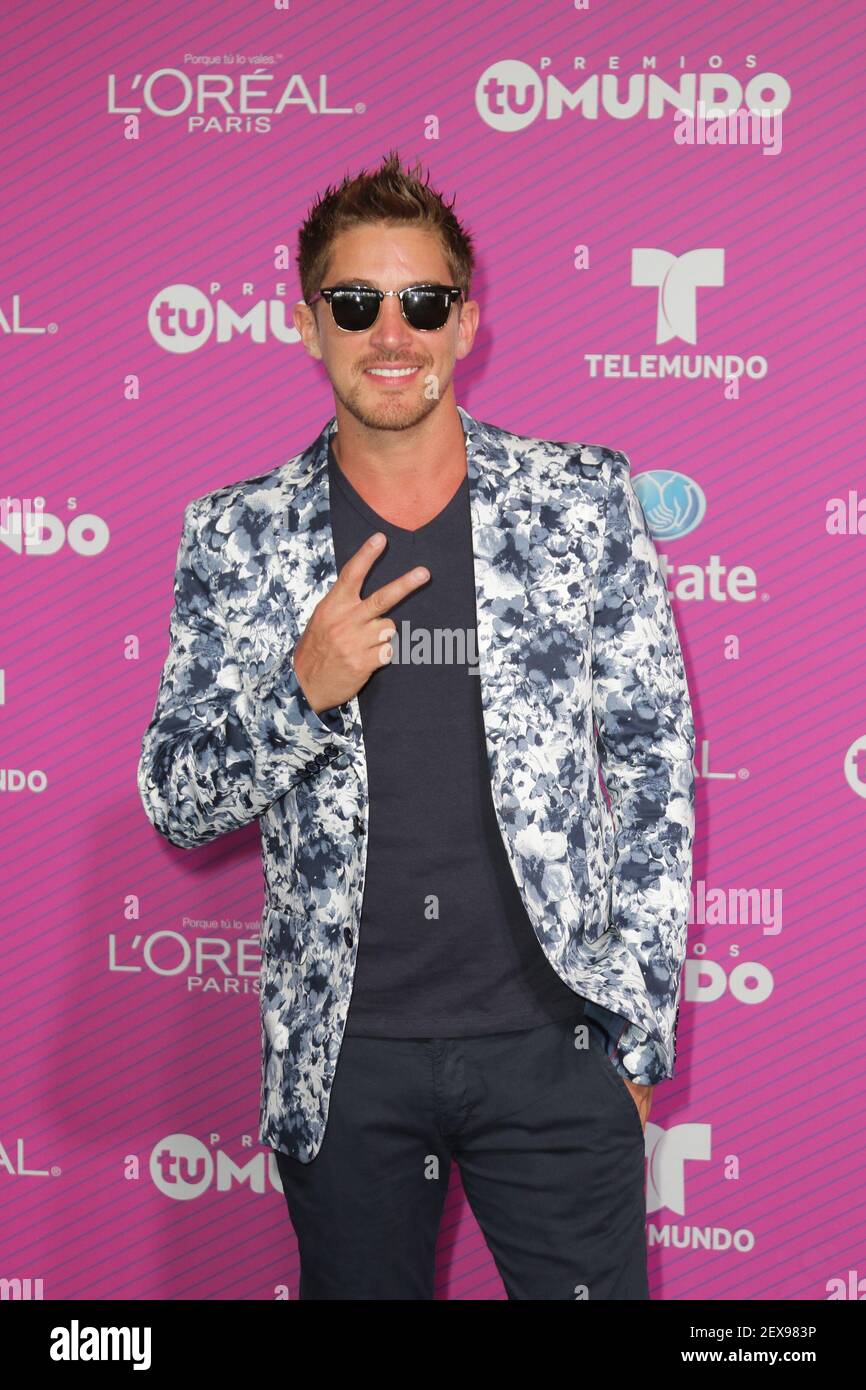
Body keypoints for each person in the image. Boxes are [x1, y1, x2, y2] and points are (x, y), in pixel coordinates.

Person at [137, 148, 696, 1300]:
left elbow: (653, 763)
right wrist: (299, 690)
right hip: (344, 1064)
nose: (389, 332)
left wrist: (633, 1028)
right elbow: (176, 799)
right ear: (307, 324)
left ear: (464, 322)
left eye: (421, 301)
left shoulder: (578, 500)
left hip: (554, 1048)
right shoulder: (237, 533)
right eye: (354, 302)